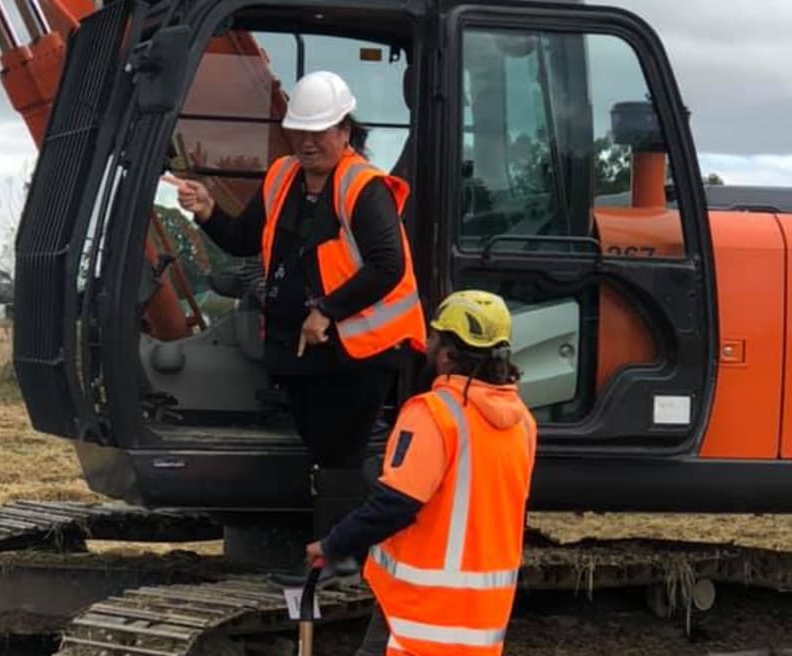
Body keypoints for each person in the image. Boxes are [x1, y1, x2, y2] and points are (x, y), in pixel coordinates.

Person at [174, 70, 427, 562]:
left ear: (344, 132)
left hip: (358, 353)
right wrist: (206, 212)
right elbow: (245, 239)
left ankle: (339, 562)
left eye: (320, 132)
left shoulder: (363, 188)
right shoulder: (282, 177)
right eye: (301, 132)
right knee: (323, 451)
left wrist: (327, 312)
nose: (308, 143)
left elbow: (387, 265)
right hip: (303, 351)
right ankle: (326, 550)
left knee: (339, 456)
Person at [305, 290, 538, 656]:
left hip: (422, 613)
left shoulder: (435, 414)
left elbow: (395, 504)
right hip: (479, 620)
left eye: (433, 337)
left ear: (447, 355)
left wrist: (333, 544)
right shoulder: (521, 421)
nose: (425, 344)